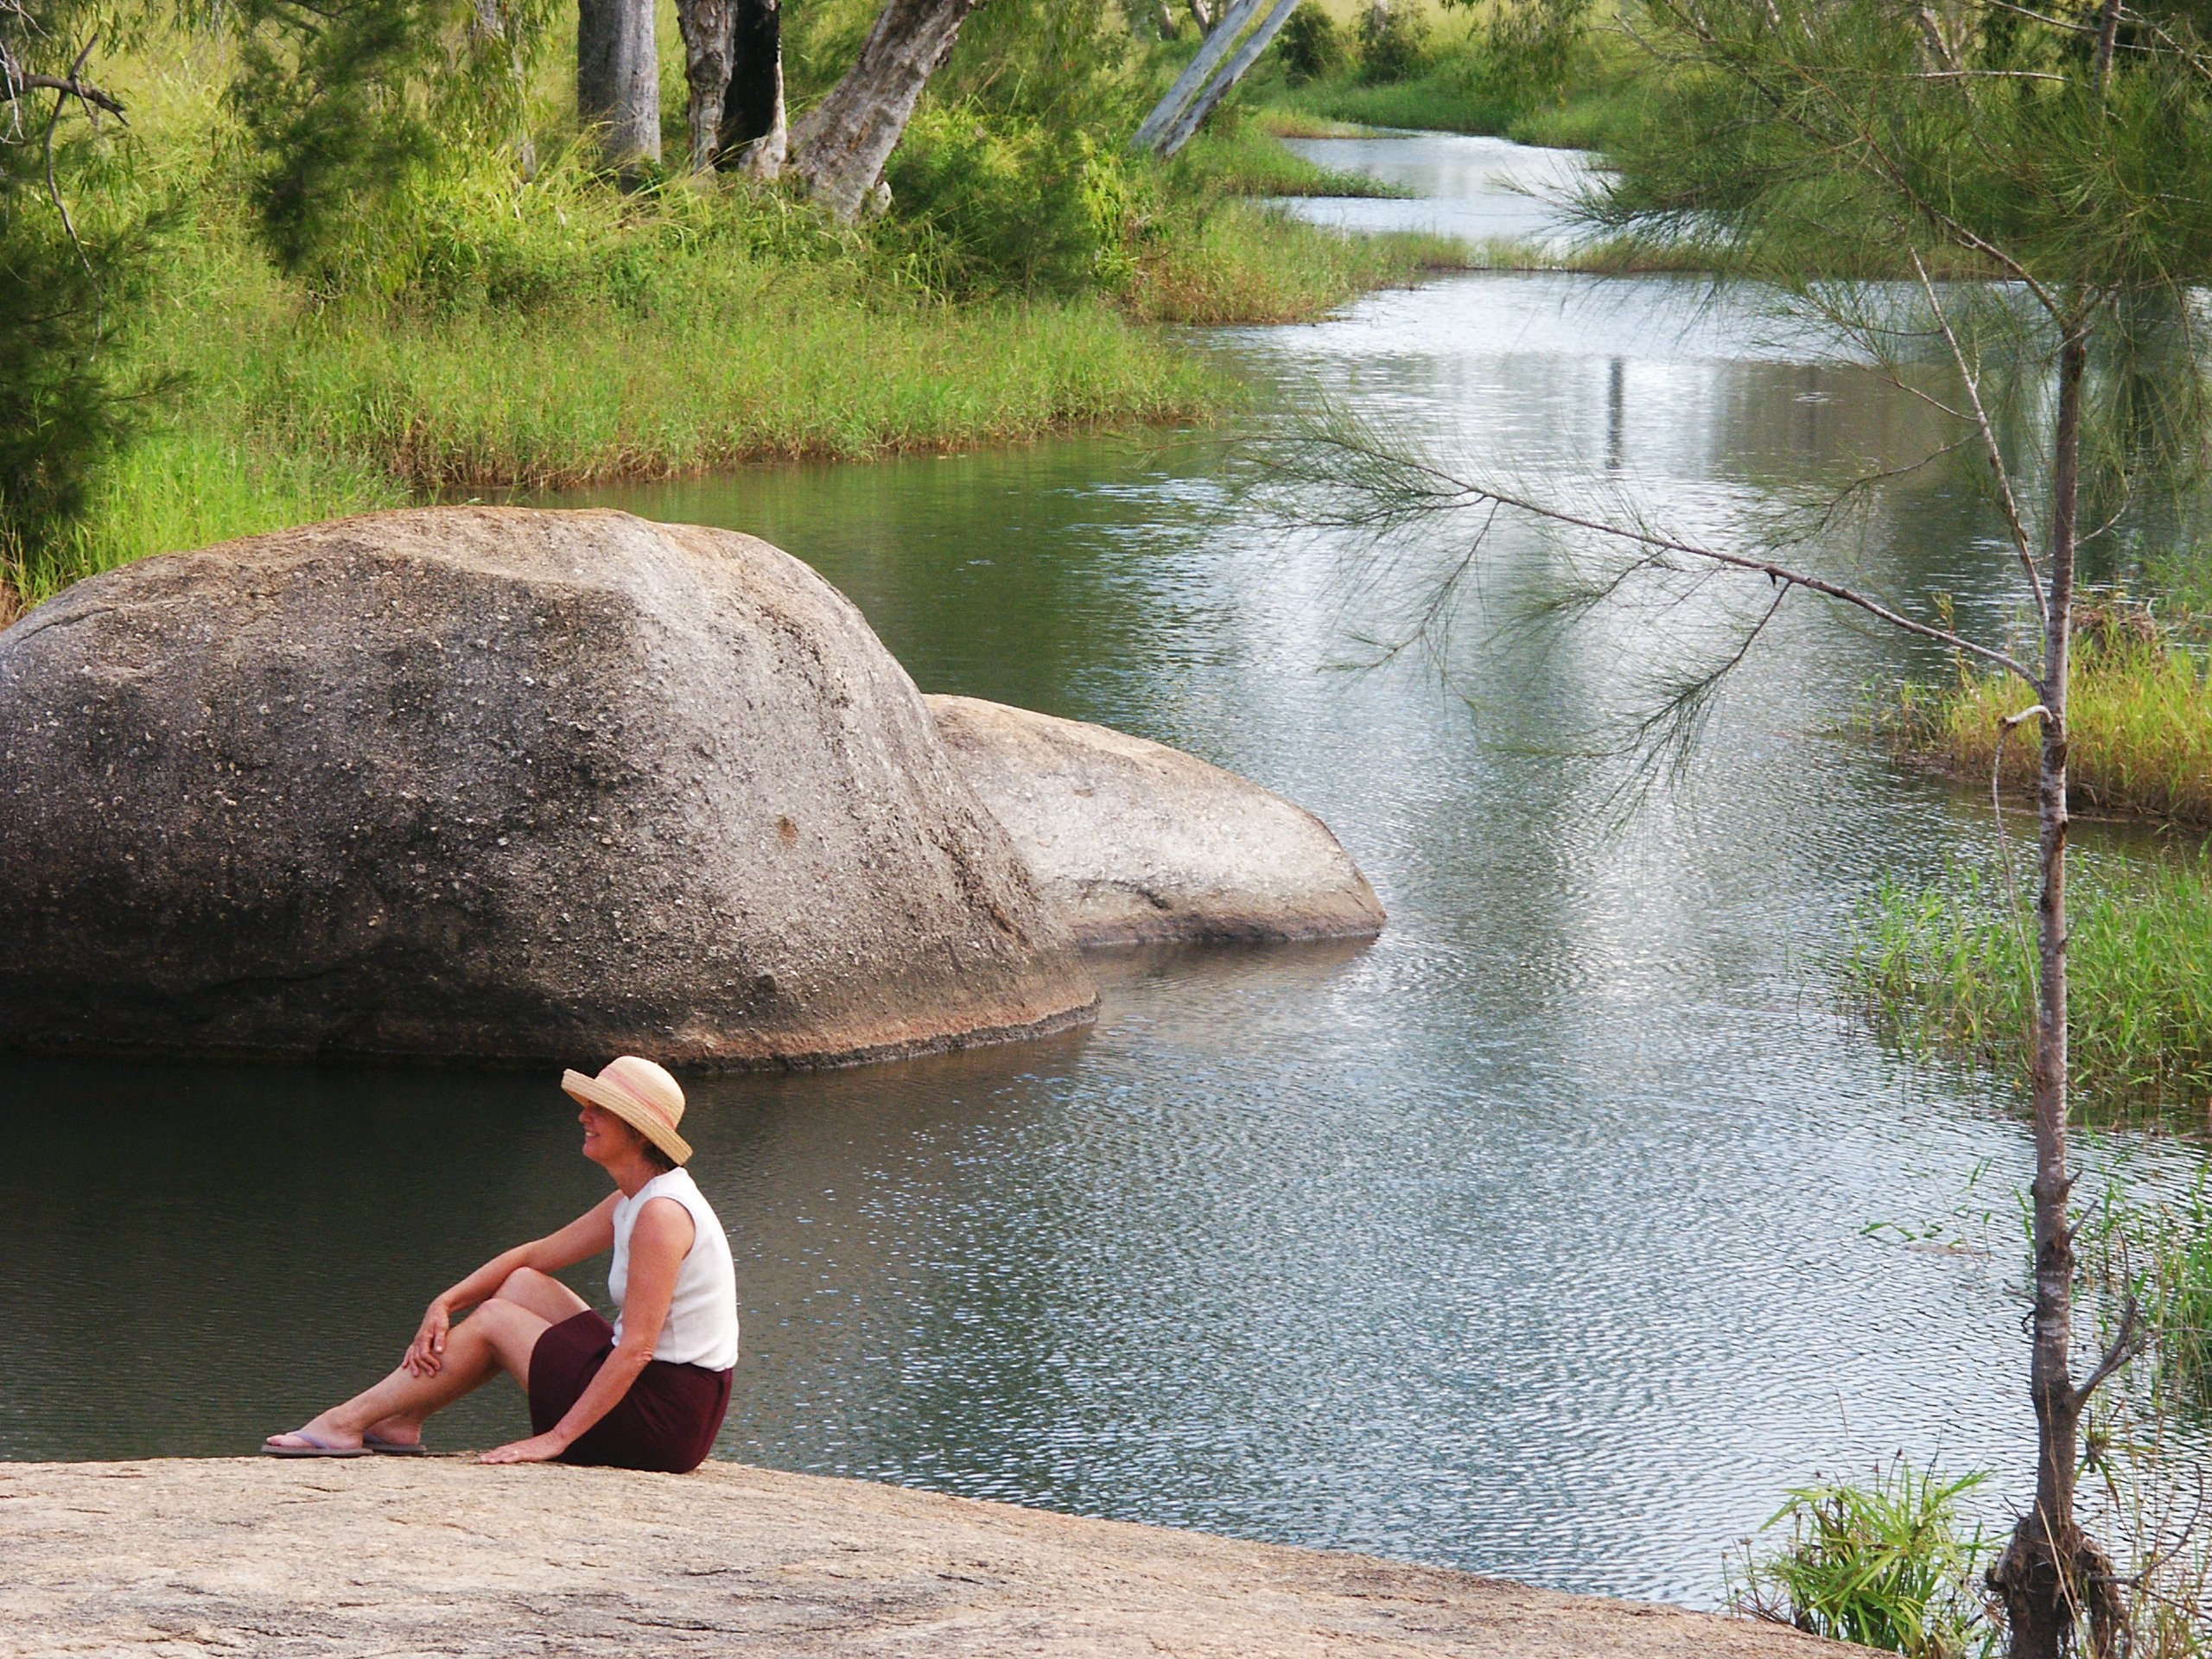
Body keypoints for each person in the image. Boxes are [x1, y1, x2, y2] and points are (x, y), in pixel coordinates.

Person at [262, 1056, 739, 1472]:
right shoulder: (635, 1199)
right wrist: (444, 1303)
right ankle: (400, 1419)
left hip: (663, 1421)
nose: (582, 1116)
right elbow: (533, 1256)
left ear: (636, 1130)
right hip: (654, 1396)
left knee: (495, 1320)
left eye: (599, 1110)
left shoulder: (662, 1213)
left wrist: (556, 1439)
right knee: (522, 1283)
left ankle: (346, 1422)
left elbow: (636, 1348)